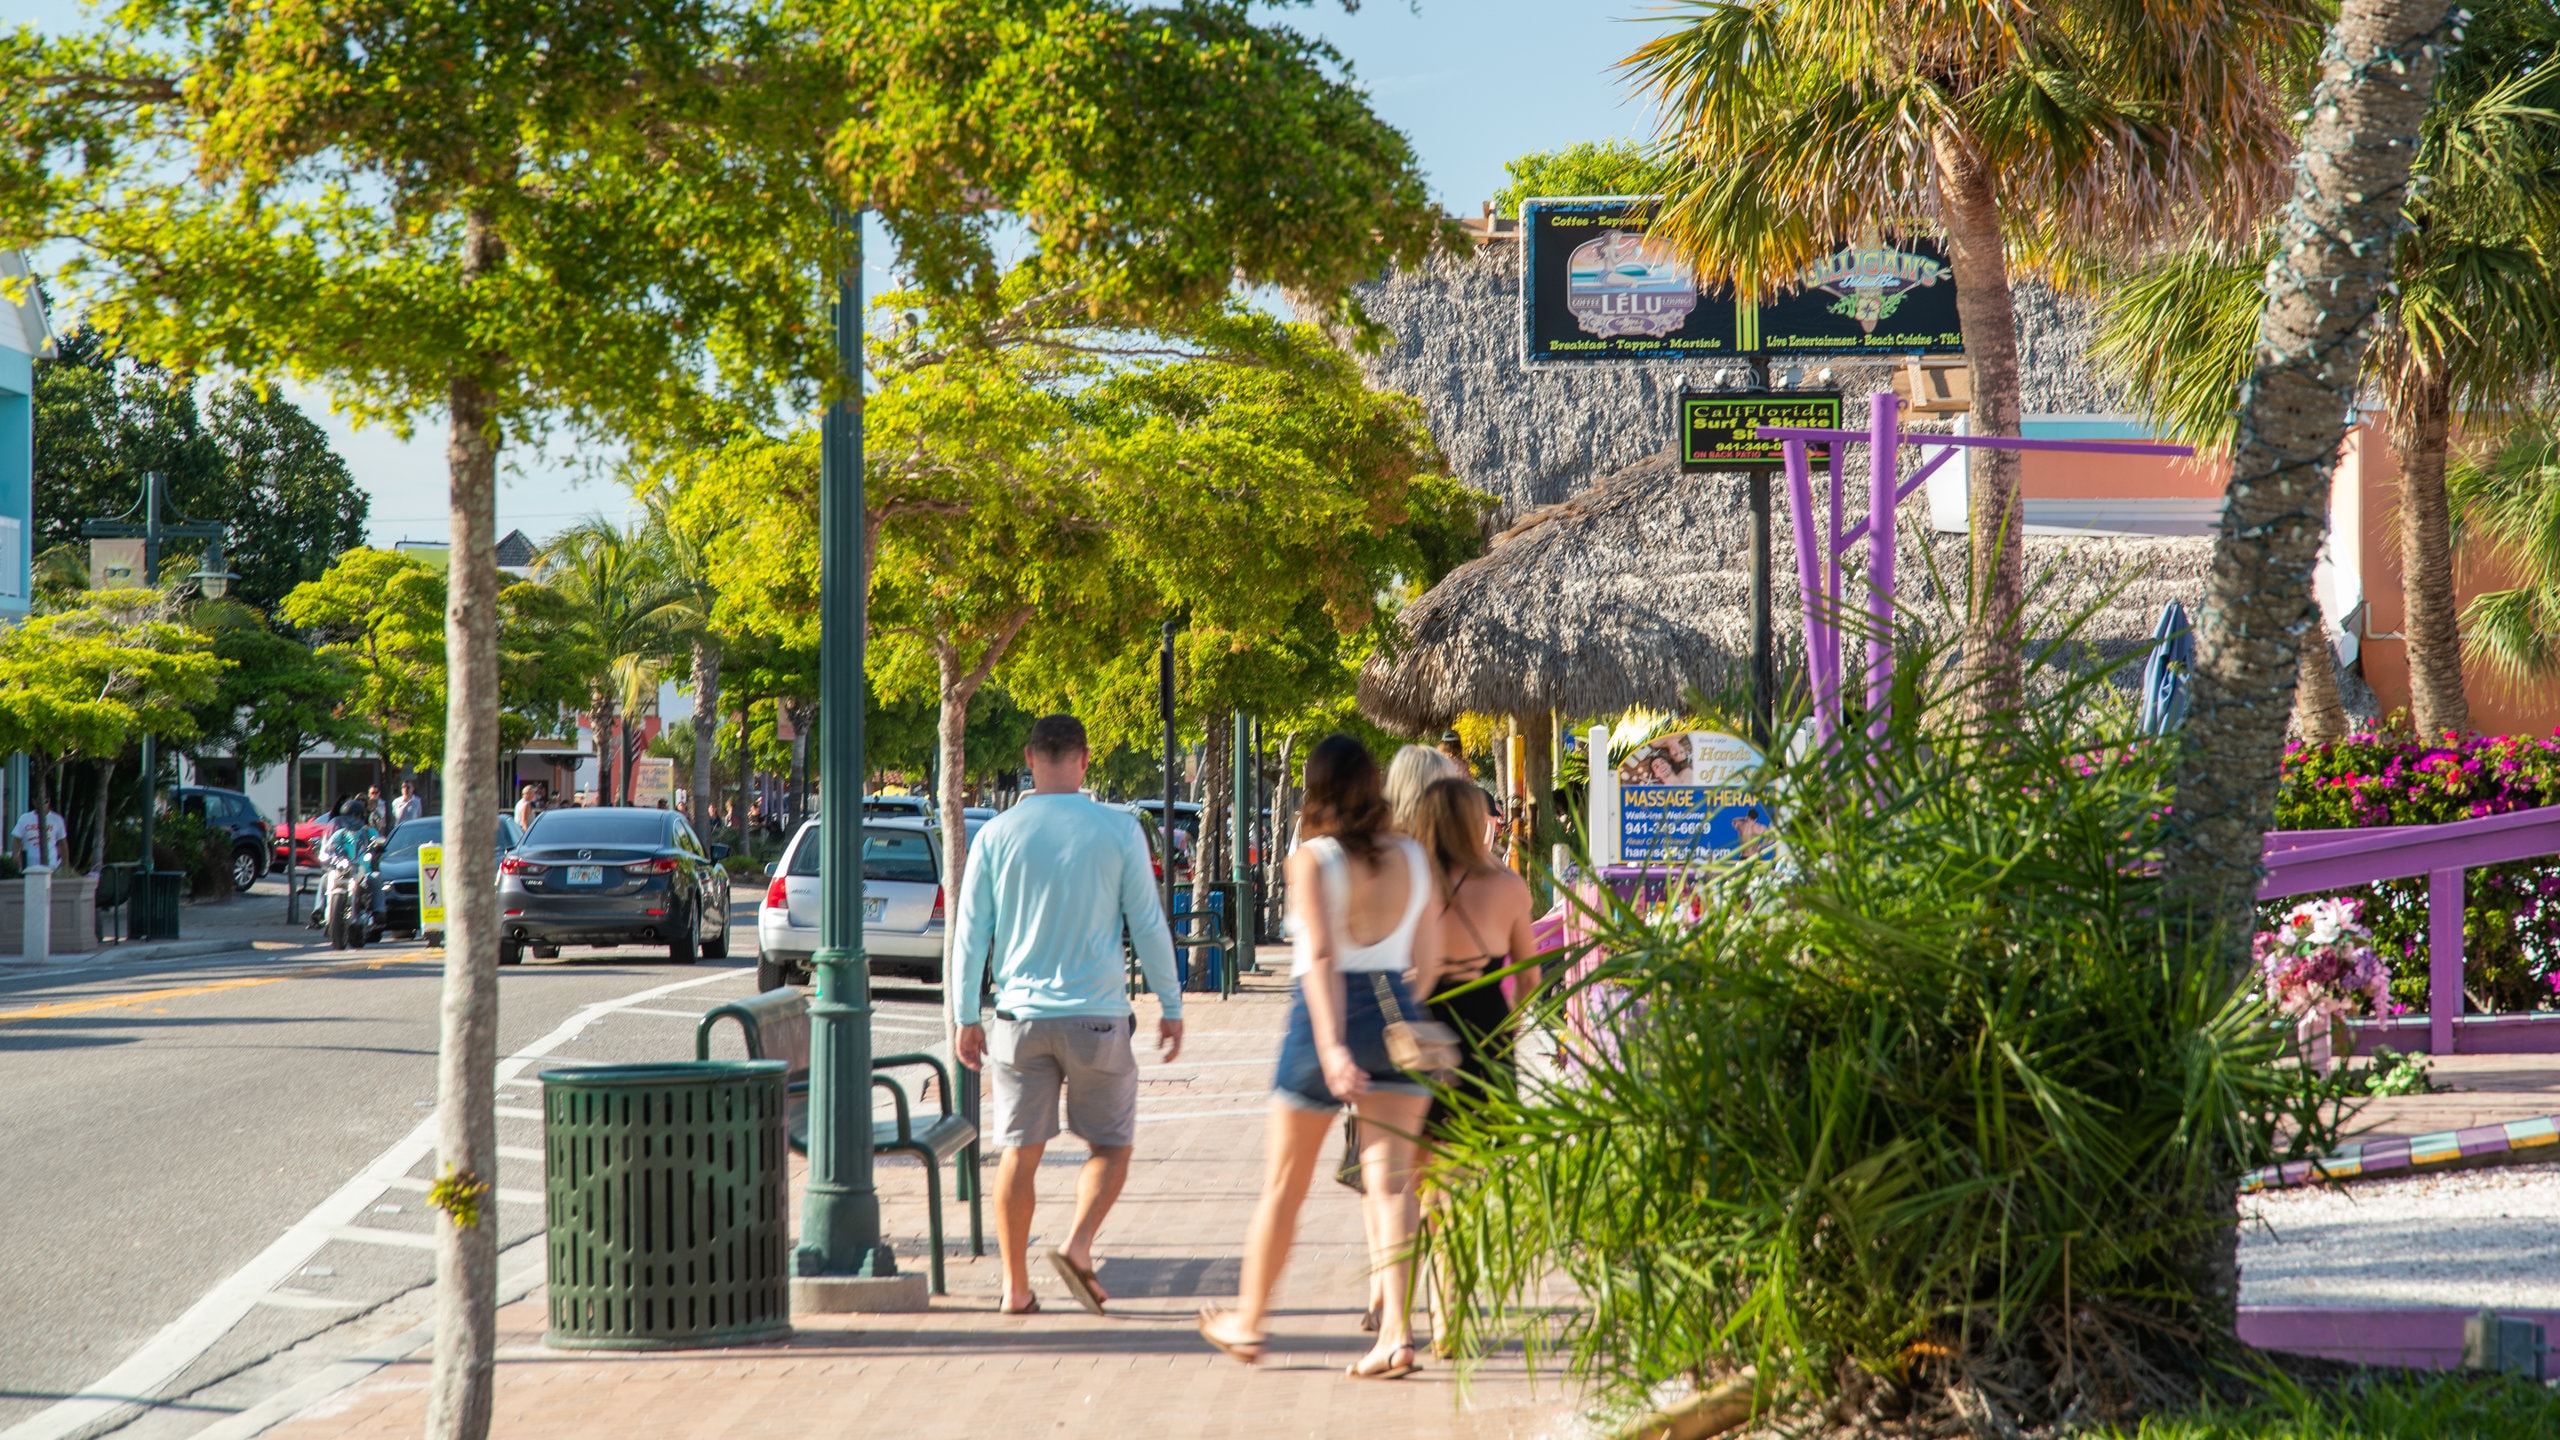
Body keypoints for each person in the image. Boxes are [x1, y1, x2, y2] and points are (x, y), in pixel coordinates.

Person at [1199, 735, 1442, 1380]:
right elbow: (1432, 958)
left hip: (1323, 1018)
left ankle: (1249, 1322)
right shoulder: (1415, 857)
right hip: (1397, 1009)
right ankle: (1396, 1334)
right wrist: (1397, 1011)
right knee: (1392, 1184)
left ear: (1317, 788)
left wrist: (1336, 1046)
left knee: (1285, 1184)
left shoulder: (1312, 859)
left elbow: (1324, 959)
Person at [951, 713, 1184, 1318]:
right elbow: (1148, 925)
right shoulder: (1119, 829)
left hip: (1018, 1019)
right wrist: (1171, 1003)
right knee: (1110, 1144)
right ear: (1085, 759)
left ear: (1030, 757)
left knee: (1018, 1153)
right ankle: (1079, 1245)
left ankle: (1015, 1287)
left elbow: (970, 934)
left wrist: (963, 1014)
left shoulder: (995, 835)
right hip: (1097, 1019)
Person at [1410, 775, 1541, 1348]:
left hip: (1427, 1027)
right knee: (1467, 1176)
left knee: (1424, 1179)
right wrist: (1510, 1027)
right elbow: (1529, 976)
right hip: (1487, 1032)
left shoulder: (1411, 884)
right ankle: (1452, 1302)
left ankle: (1427, 1306)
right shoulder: (1509, 887)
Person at [11, 796, 68, 871]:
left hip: (51, 864)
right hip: (29, 865)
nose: (43, 804)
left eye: (46, 801)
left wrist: (65, 865)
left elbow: (63, 843)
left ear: (49, 801)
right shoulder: (24, 818)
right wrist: (15, 856)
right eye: (40, 801)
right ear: (34, 801)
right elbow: (17, 839)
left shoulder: (56, 819)